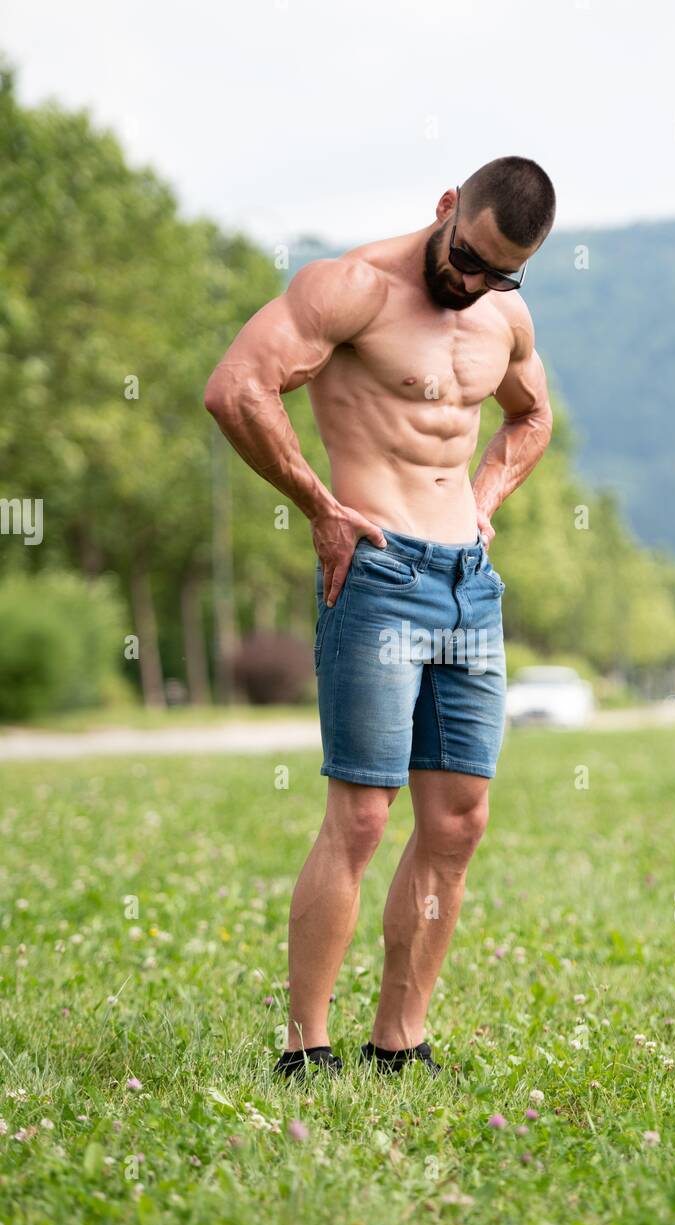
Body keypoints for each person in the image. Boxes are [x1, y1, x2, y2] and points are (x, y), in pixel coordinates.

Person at [204, 156, 556, 1078]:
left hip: (469, 584)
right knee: (362, 817)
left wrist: (488, 493)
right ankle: (306, 1047)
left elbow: (531, 417)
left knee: (459, 823)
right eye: (467, 256)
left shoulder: (504, 319)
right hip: (380, 573)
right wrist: (321, 506)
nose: (472, 282)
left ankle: (401, 1040)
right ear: (446, 207)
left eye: (498, 273)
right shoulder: (349, 289)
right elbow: (236, 387)